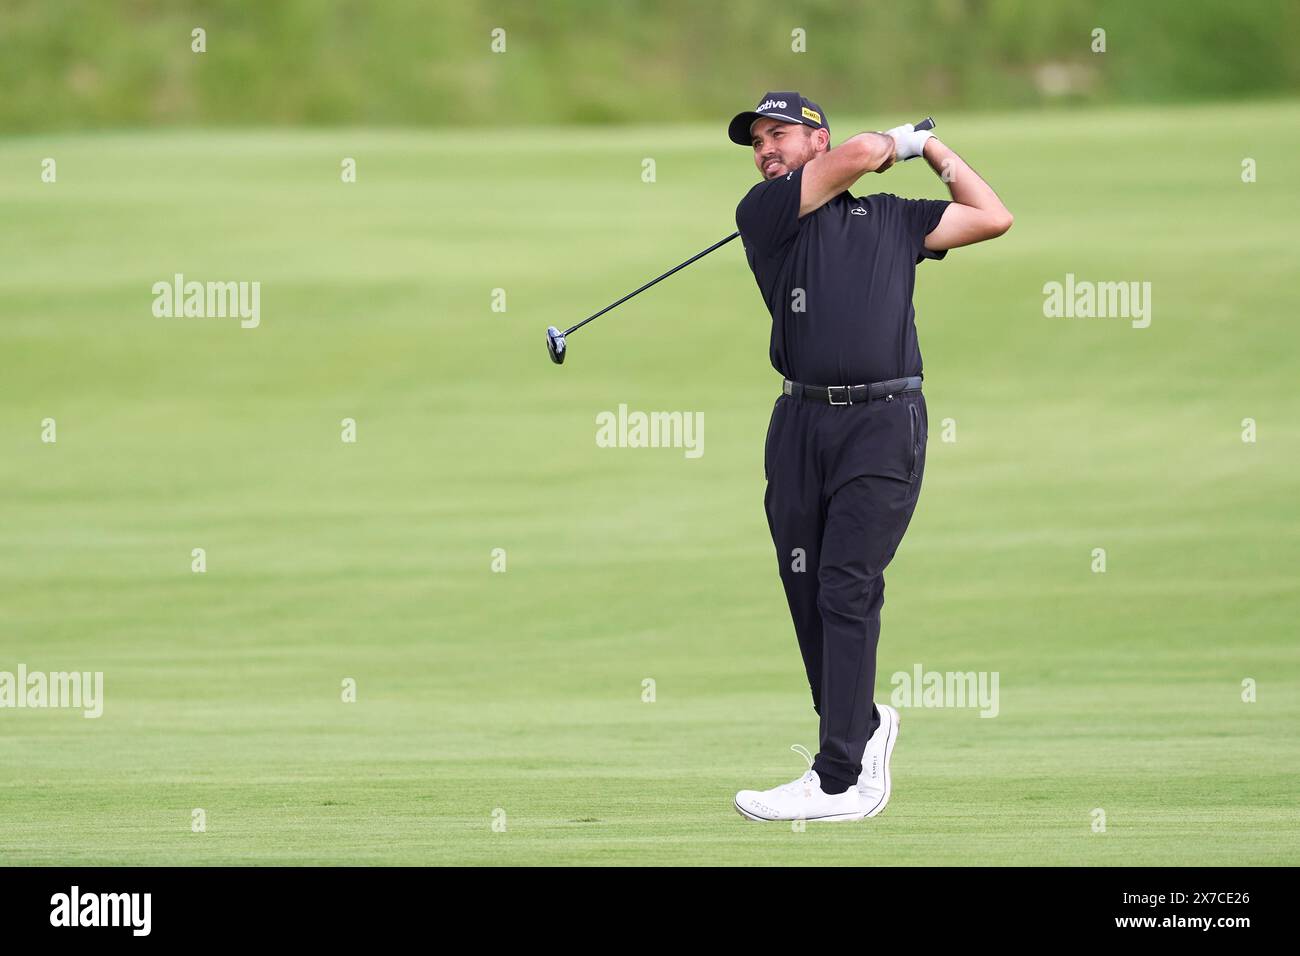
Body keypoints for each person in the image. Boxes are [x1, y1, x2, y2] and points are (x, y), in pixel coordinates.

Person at [727, 92, 1013, 822]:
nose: (765, 149)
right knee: (808, 592)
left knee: (846, 584)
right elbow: (859, 153)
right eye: (757, 141)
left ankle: (838, 779)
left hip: (886, 422)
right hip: (798, 424)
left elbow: (991, 215)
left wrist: (938, 153)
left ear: (812, 139)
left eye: (778, 135)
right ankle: (858, 731)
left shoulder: (891, 218)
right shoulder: (764, 216)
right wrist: (899, 140)